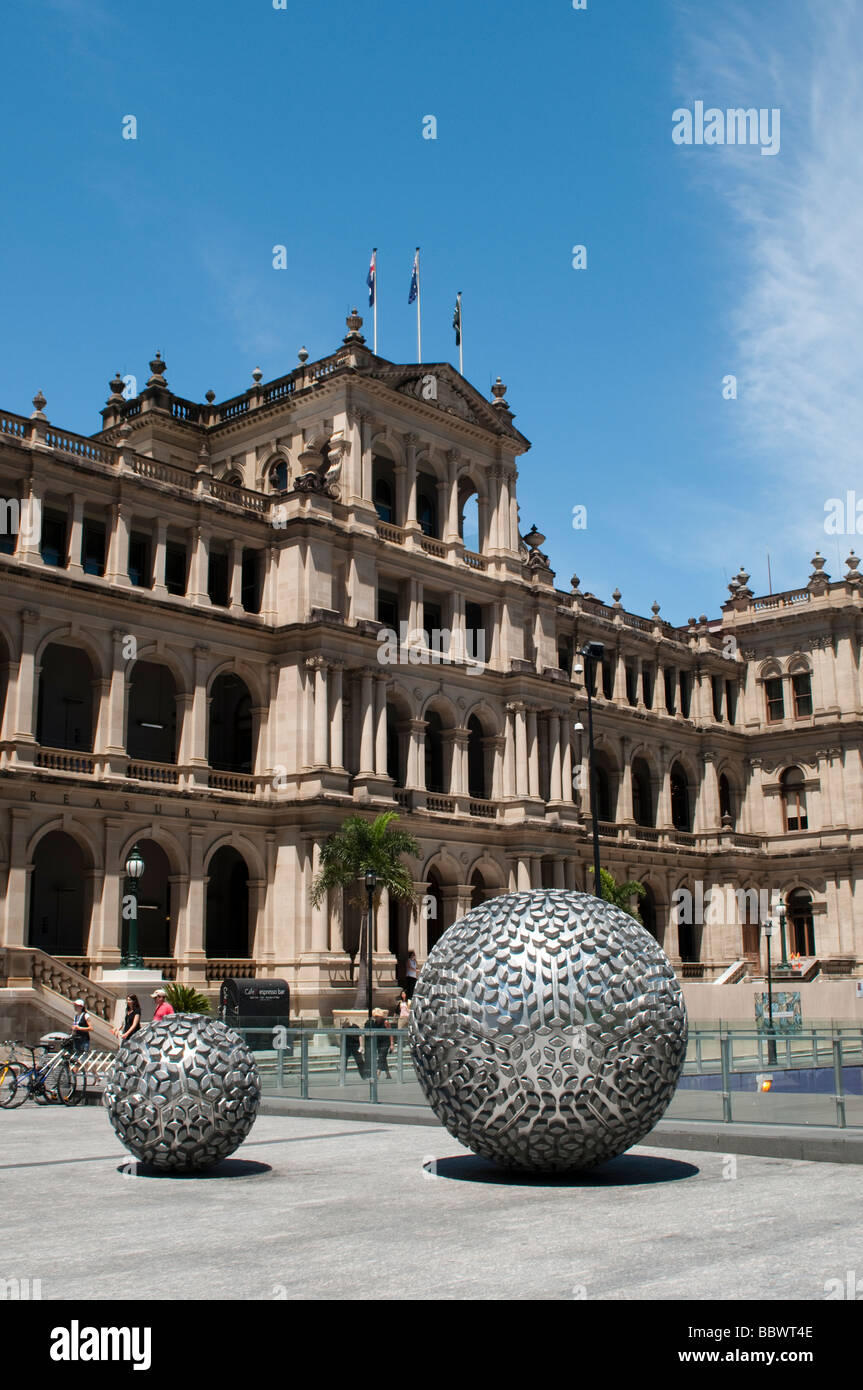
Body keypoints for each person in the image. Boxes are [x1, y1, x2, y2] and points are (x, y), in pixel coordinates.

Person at [369, 1007, 392, 1078]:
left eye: (377, 1016)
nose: (376, 1018)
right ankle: (388, 1074)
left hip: (386, 1042)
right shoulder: (374, 1023)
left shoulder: (386, 1022)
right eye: (375, 1017)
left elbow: (390, 1033)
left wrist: (392, 1044)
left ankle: (377, 1074)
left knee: (381, 1057)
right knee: (383, 1058)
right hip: (378, 1042)